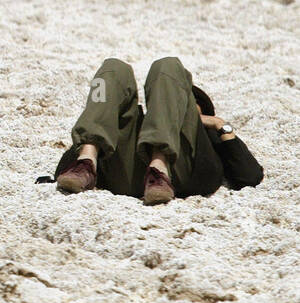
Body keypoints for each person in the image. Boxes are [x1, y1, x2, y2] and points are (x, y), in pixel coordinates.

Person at [53, 57, 262, 204]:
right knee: (113, 68)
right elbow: (63, 169)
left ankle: (160, 167)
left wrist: (219, 125)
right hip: (128, 174)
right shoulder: (145, 126)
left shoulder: (207, 136)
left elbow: (249, 176)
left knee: (167, 66)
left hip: (181, 173)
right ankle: (86, 164)